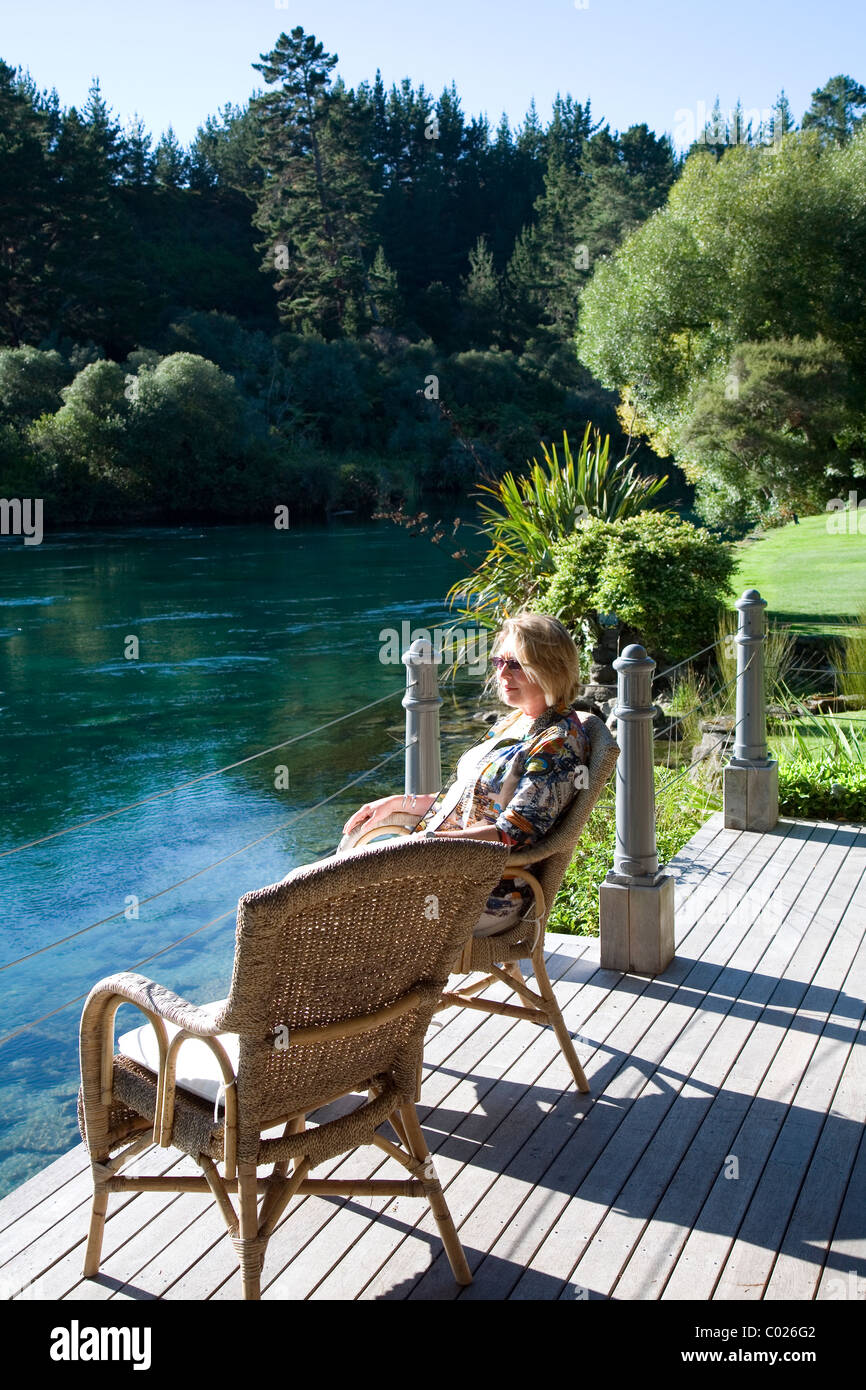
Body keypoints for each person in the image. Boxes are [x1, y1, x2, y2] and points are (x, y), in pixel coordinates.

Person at [341, 613, 592, 936]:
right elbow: (470, 801)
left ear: (551, 668)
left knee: (337, 909)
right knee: (318, 888)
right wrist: (399, 802)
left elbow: (510, 835)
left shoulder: (557, 744)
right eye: (498, 661)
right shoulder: (516, 721)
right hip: (445, 871)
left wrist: (426, 845)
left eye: (515, 664)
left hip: (484, 892)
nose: (502, 673)